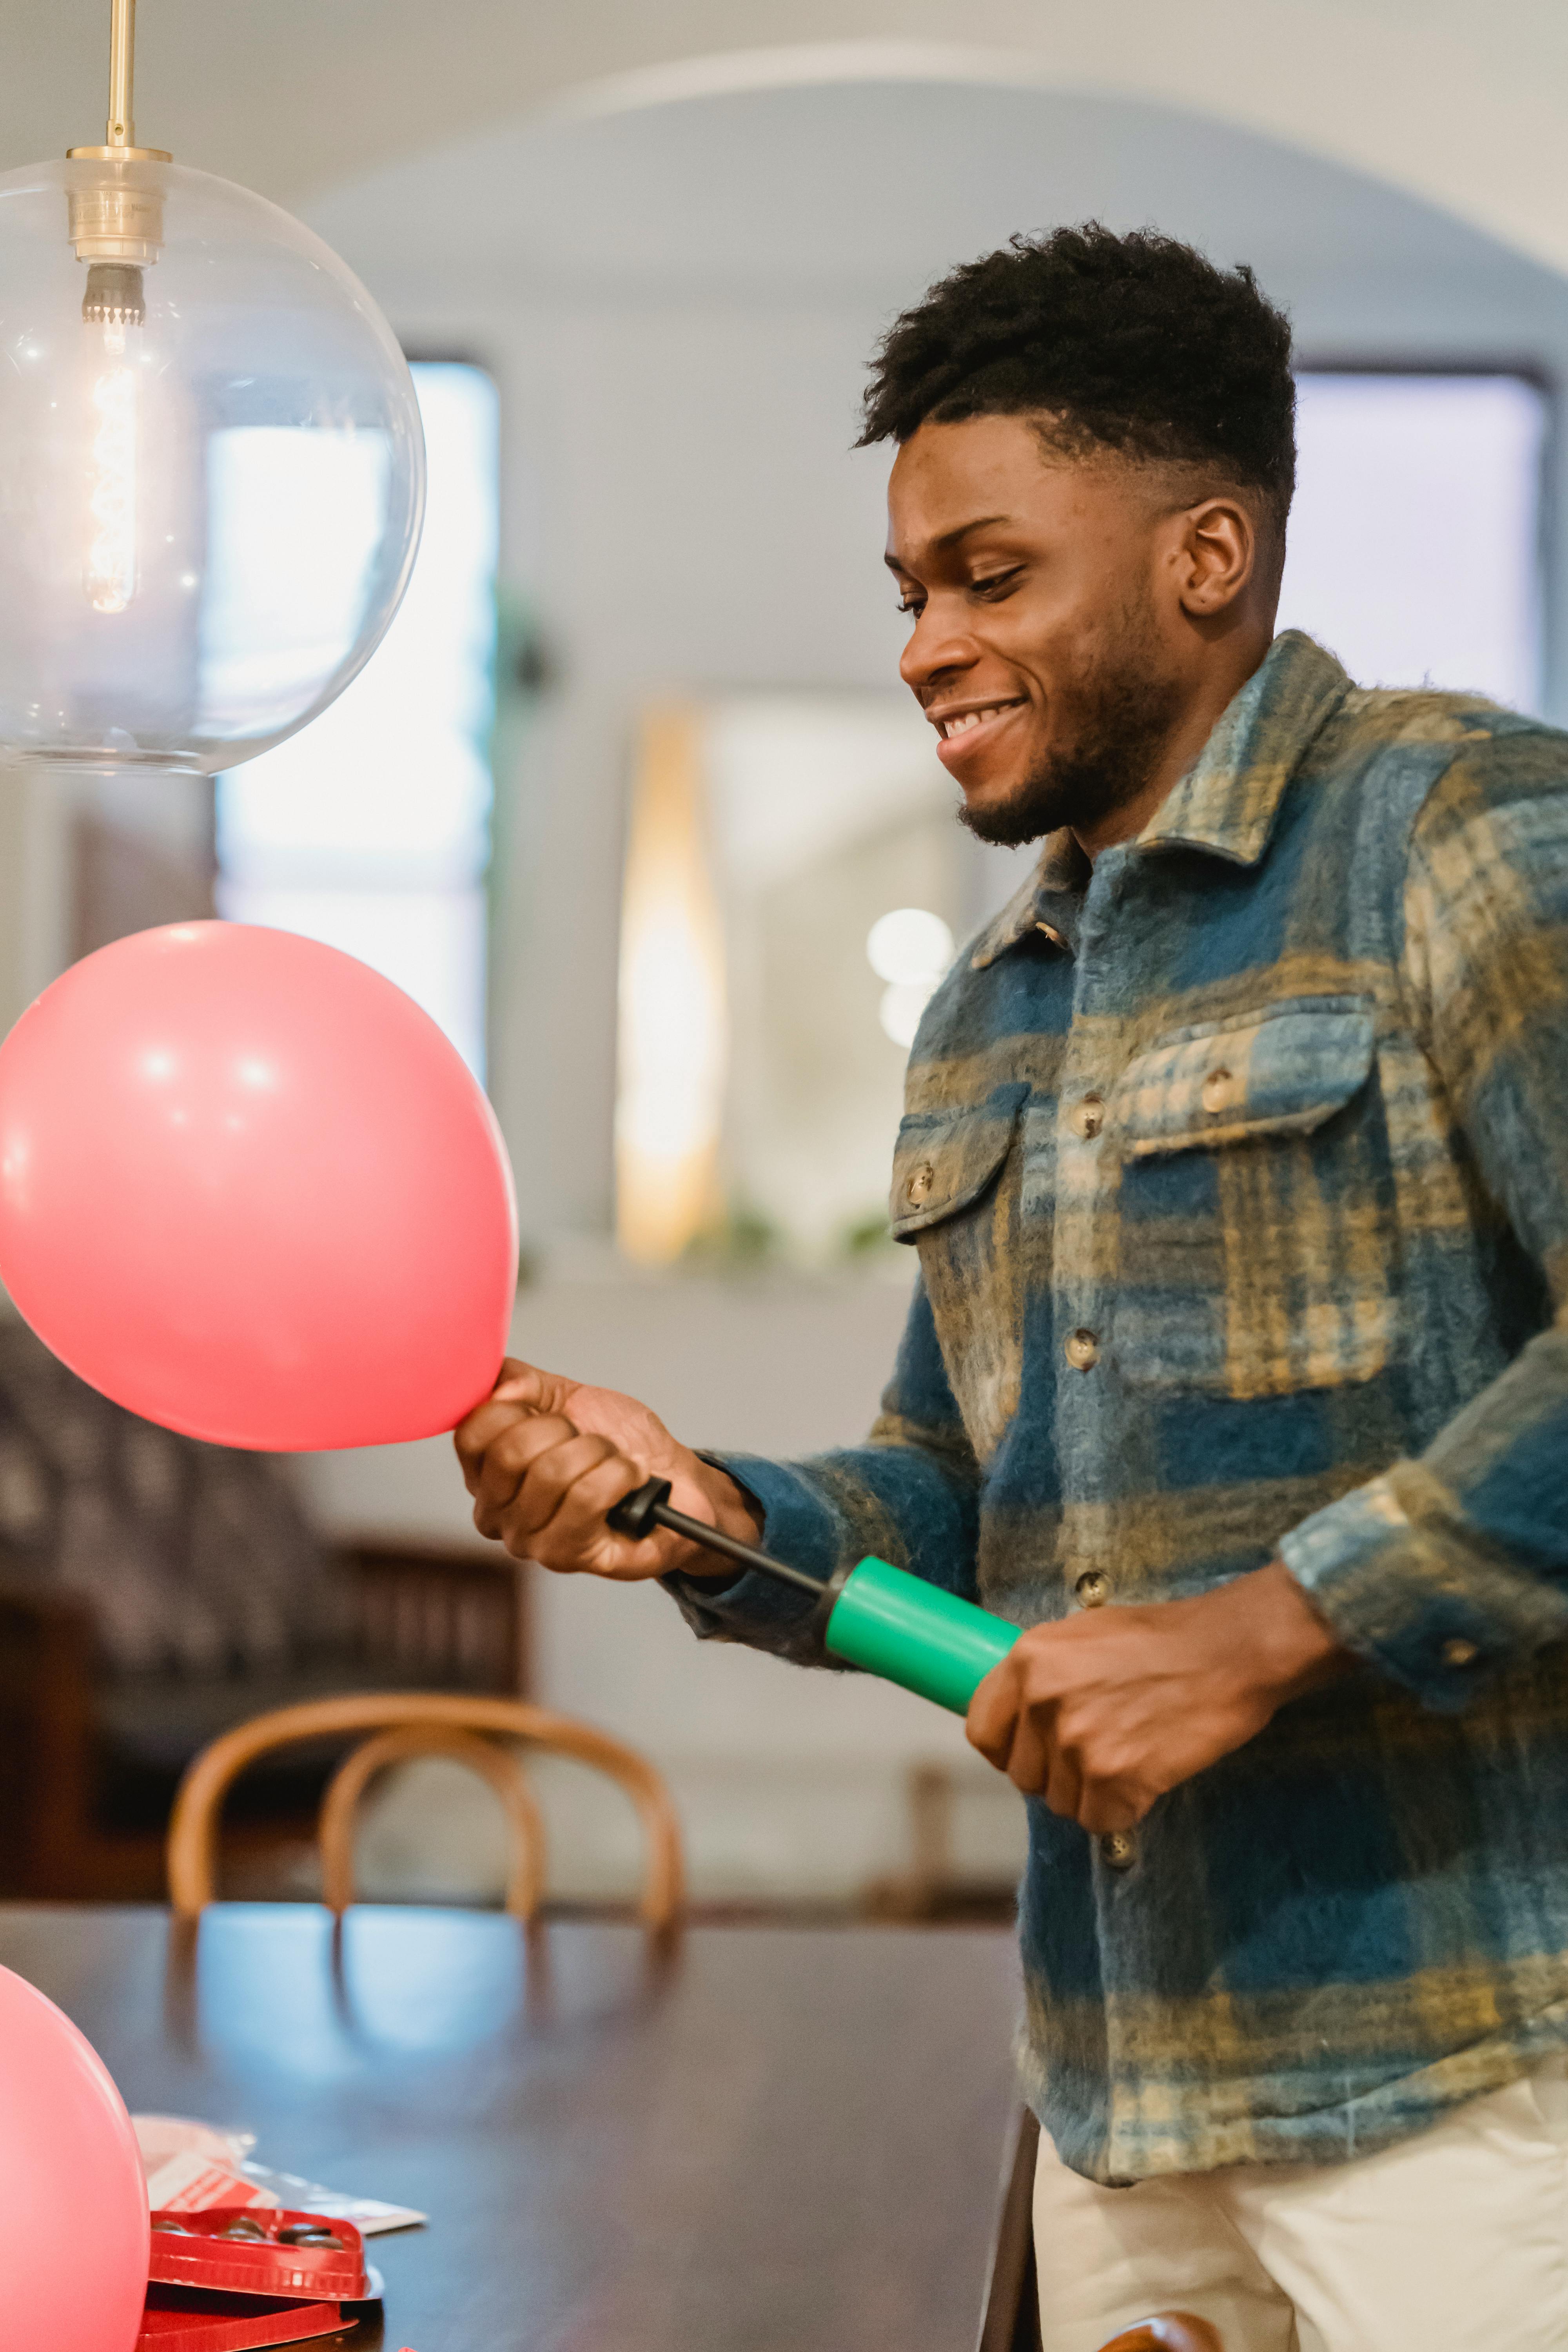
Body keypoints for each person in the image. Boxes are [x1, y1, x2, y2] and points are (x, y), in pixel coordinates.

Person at [455, 225, 1568, 2352]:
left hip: (1473, 2091)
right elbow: (955, 1498)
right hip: (1116, 2094)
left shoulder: (1464, 831)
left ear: (1208, 554)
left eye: (989, 575)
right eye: (910, 593)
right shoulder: (989, 1007)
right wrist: (698, 1503)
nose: (925, 645)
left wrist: (1263, 1634)